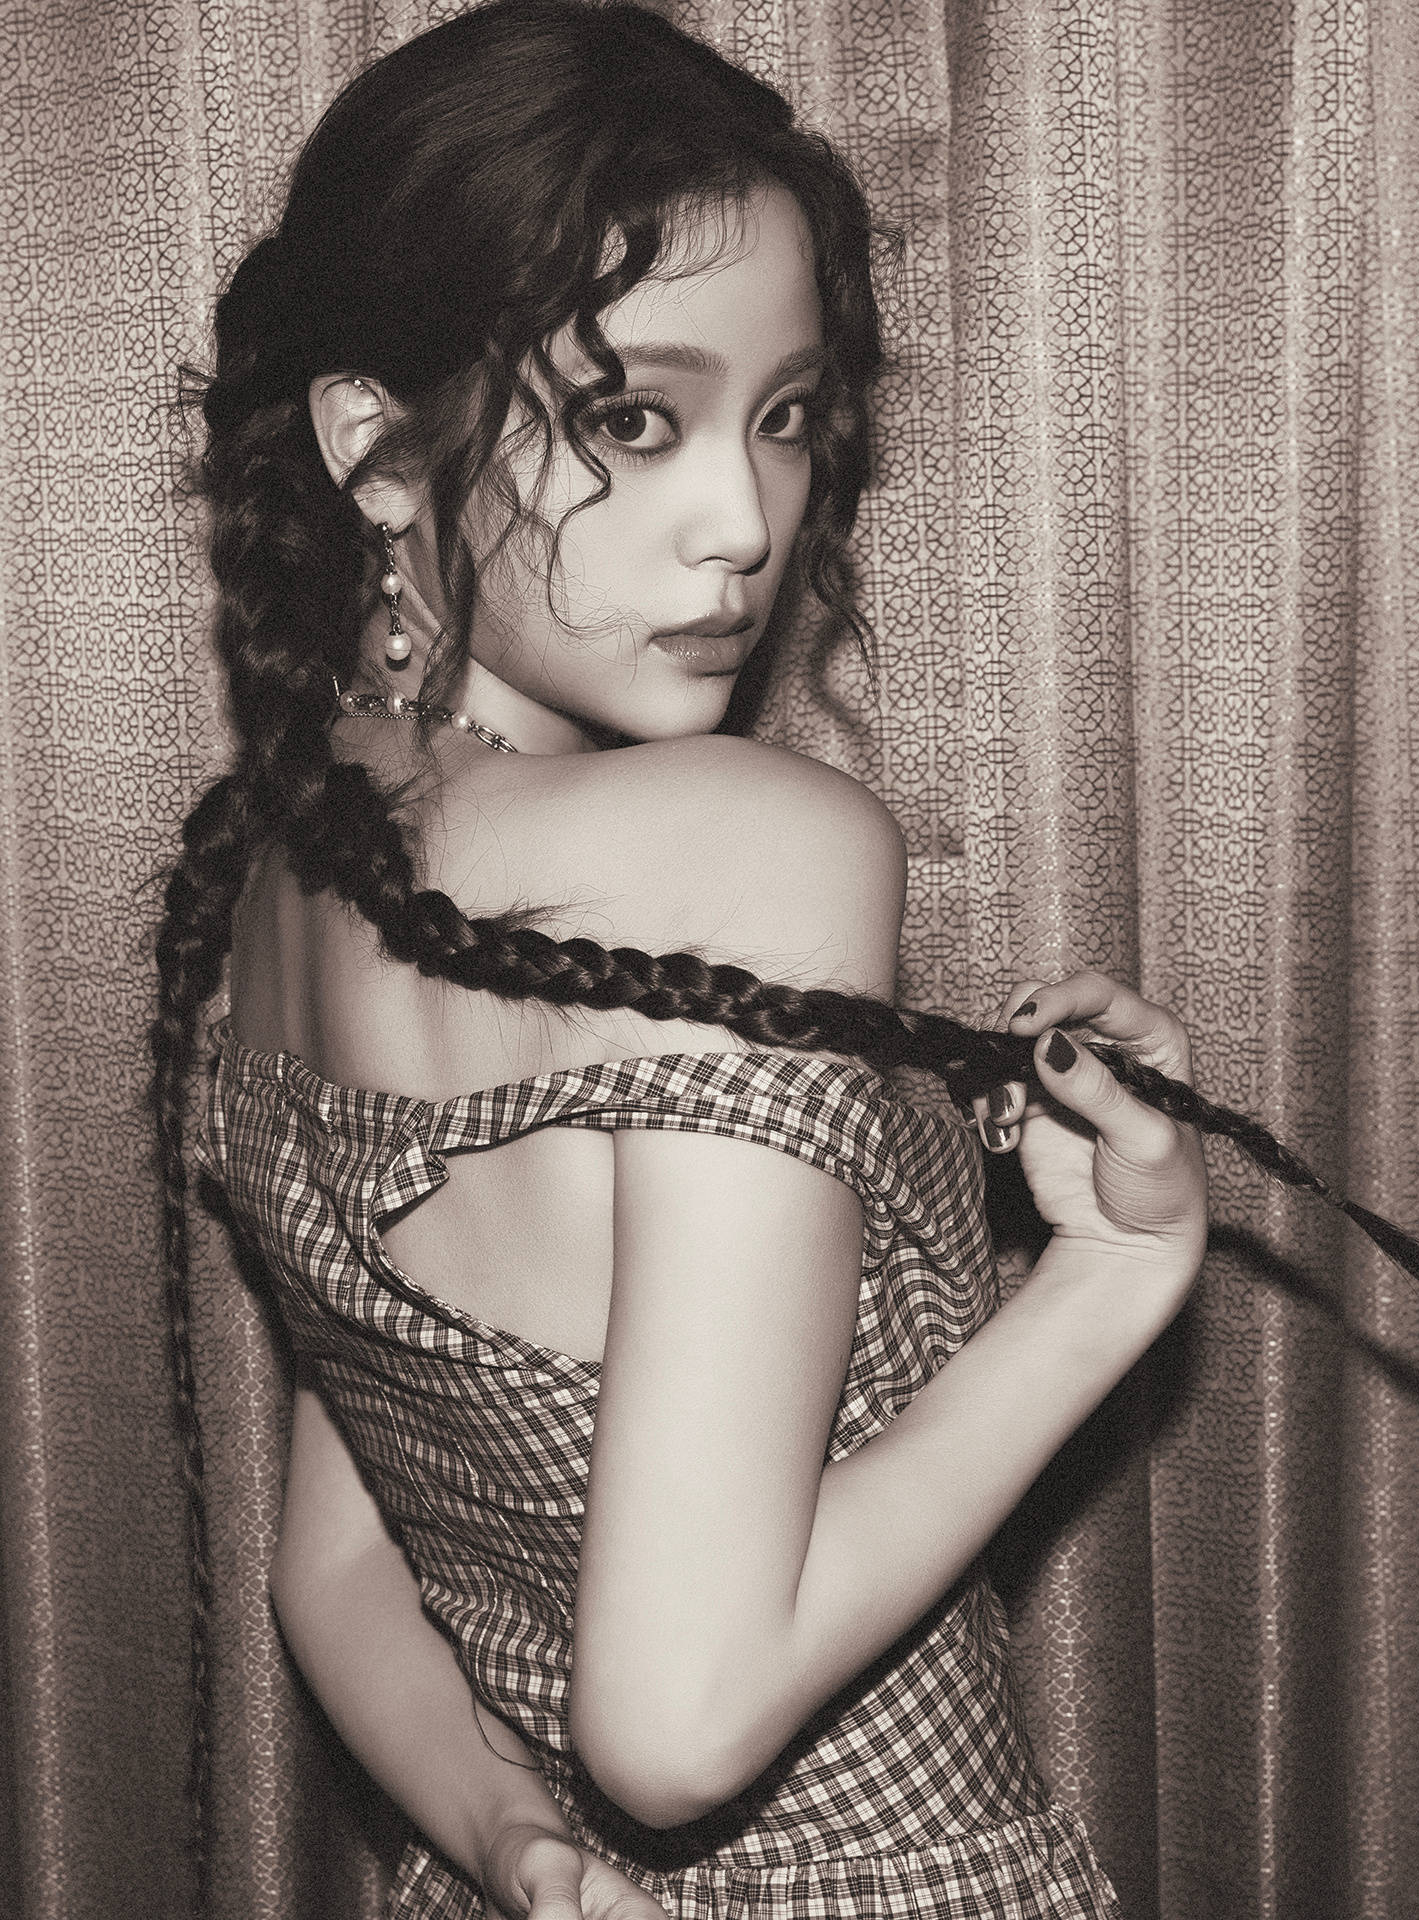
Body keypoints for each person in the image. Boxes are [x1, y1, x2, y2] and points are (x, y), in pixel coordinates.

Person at [151, 3, 1209, 1914]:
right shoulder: (750, 843)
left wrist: (519, 1849)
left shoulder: (276, 877)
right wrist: (1107, 1282)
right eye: (632, 418)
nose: (744, 525)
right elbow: (681, 1716)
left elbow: (344, 1566)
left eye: (785, 416)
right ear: (377, 452)